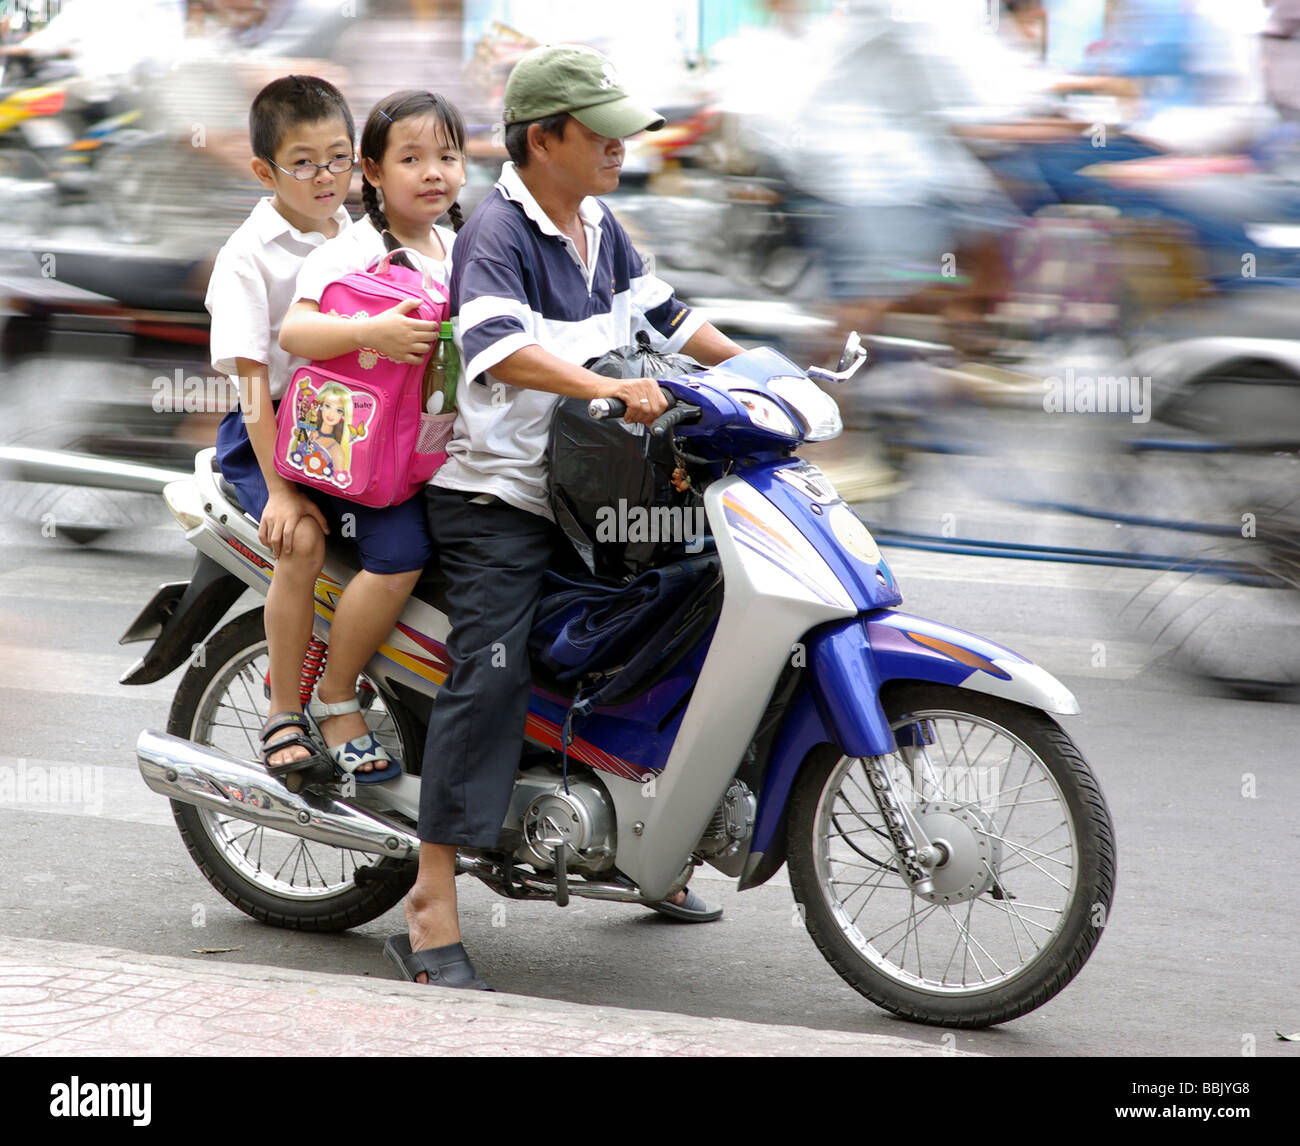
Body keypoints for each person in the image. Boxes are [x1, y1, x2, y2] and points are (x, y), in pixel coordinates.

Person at [384, 44, 747, 990]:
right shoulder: (496, 233)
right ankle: (430, 900)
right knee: (492, 669)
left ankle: (652, 838)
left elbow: (671, 319)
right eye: (605, 133)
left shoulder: (595, 221)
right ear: (543, 139)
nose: (624, 147)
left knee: (696, 605)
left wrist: (761, 380)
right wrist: (609, 387)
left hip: (594, 490)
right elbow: (500, 351)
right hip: (497, 496)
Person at [208, 75, 432, 785]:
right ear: (264, 170)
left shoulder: (371, 233)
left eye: (338, 157)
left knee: (406, 551)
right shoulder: (248, 257)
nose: (324, 177)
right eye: (303, 162)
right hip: (272, 430)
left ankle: (342, 685)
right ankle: (285, 711)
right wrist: (279, 490)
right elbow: (250, 384)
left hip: (362, 434)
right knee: (300, 539)